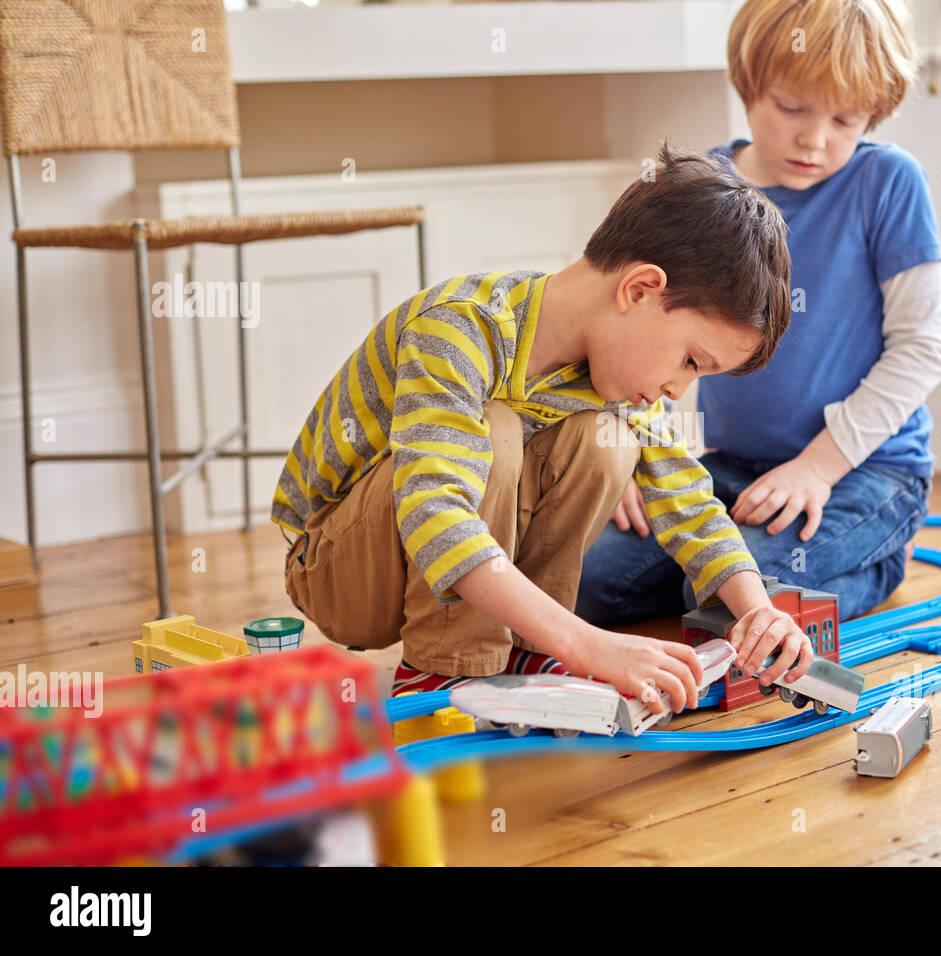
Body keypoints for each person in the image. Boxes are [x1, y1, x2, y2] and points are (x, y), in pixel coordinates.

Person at [274, 143, 817, 714]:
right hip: (340, 573)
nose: (680, 390)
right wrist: (588, 644)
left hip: (433, 567)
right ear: (638, 290)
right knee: (496, 427)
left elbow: (687, 502)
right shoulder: (462, 329)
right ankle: (443, 670)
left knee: (604, 443)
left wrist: (758, 609)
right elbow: (437, 516)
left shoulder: (620, 381)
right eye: (690, 360)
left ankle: (523, 651)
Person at [577, 0, 941, 629]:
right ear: (749, 84)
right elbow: (645, 326)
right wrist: (630, 460)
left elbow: (923, 347)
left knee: (731, 598)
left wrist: (817, 468)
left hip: (863, 470)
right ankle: (843, 559)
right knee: (591, 586)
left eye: (845, 118)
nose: (815, 138)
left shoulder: (888, 182)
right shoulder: (704, 189)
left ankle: (880, 554)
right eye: (792, 108)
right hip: (729, 469)